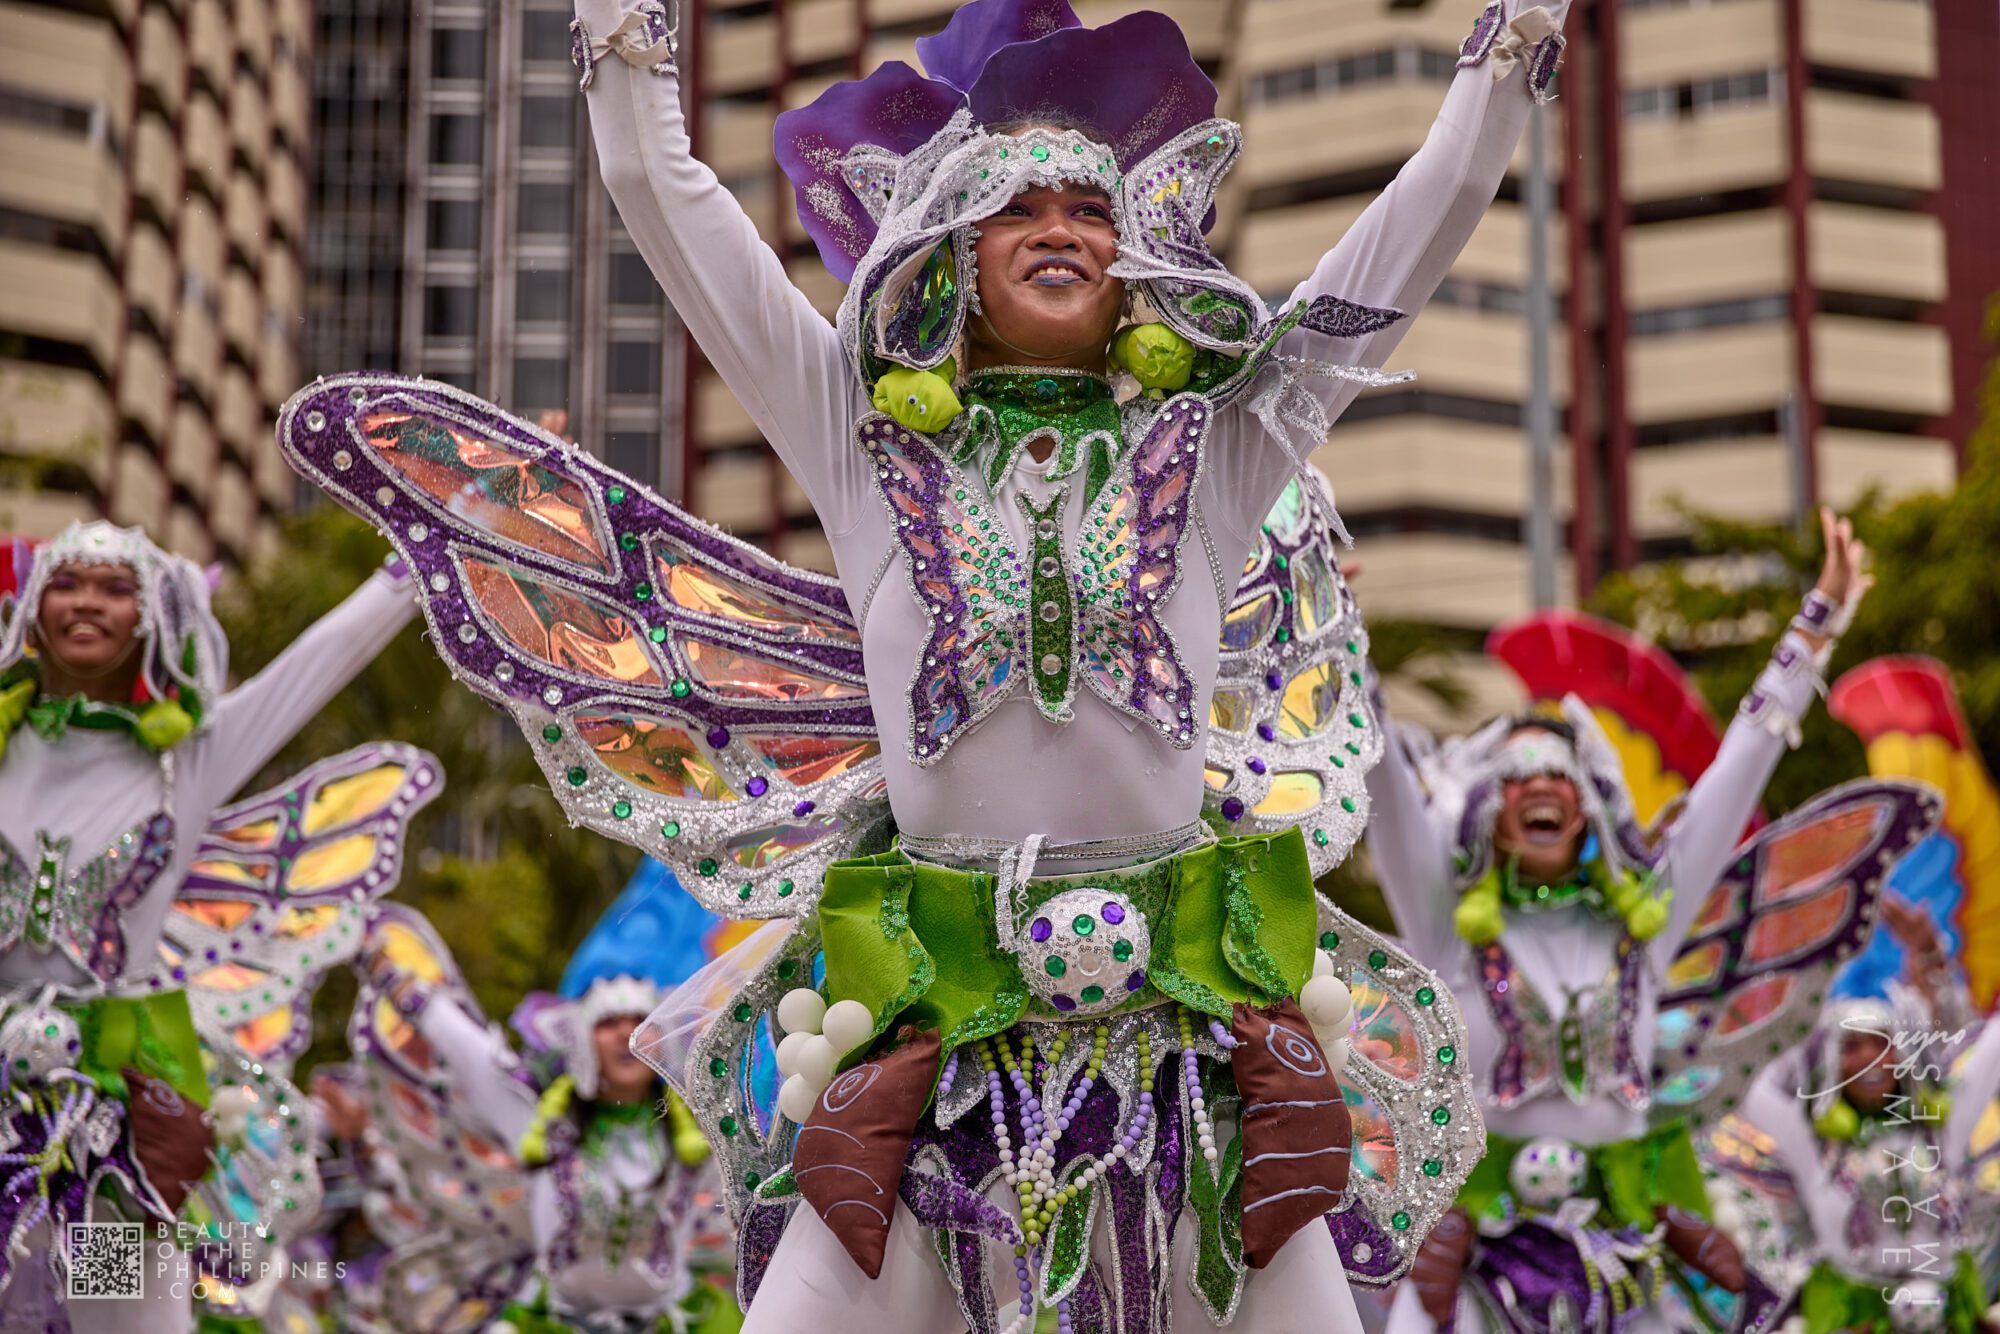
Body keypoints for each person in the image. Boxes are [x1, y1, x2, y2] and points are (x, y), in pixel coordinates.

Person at [286, 0, 1575, 1324]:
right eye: (1020, 211)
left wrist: (1501, 63)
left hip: (1196, 1048)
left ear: (1134, 267)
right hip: (926, 1053)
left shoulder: (1213, 457)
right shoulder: (870, 454)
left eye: (1091, 208)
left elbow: (1398, 253)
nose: (1062, 227)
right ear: (953, 257)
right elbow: (672, 214)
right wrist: (626, 48)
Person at [1364, 509, 1879, 1334]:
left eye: (1560, 775)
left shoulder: (1648, 925)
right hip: (1472, 1270)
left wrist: (1815, 625)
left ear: (1592, 808)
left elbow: (1738, 770)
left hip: (1626, 1262)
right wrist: (1347, 643)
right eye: (1516, 775)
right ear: (1488, 814)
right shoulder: (1448, 927)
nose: (1538, 786)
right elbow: (1384, 784)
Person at [0, 521, 414, 1334]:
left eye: (115, 589)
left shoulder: (188, 756)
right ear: (32, 607)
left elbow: (322, 657)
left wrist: (455, 526)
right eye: (68, 584)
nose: (88, 604)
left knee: (119, 1305)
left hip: (128, 1073)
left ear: (152, 614)